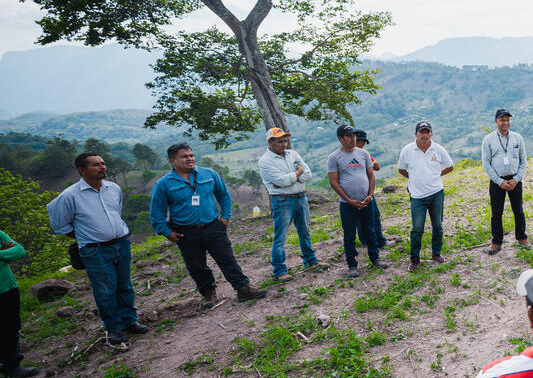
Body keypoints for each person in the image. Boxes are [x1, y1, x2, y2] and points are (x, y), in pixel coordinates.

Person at [151, 144, 268, 308]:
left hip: (213, 226)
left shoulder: (208, 173)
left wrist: (225, 217)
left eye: (191, 155)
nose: (190, 158)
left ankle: (243, 288)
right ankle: (208, 293)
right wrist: (166, 232)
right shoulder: (164, 184)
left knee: (227, 258)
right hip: (186, 232)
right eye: (184, 156)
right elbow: (157, 212)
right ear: (172, 161)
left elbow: (224, 195)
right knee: (196, 265)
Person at [49, 153, 147, 346]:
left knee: (124, 285)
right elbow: (60, 225)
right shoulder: (69, 196)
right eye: (96, 165)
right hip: (95, 250)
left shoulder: (113, 188)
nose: (102, 167)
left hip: (121, 244)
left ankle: (129, 320)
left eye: (103, 164)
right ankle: (114, 329)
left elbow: (115, 213)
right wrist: (89, 236)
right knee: (105, 289)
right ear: (82, 170)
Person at [257, 127, 323, 282]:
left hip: (301, 197)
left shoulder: (293, 154)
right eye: (280, 141)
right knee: (280, 236)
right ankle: (279, 270)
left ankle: (310, 260)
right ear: (270, 142)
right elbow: (282, 181)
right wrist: (297, 174)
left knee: (305, 231)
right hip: (282, 200)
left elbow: (308, 173)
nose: (284, 144)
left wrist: (293, 177)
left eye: (285, 140)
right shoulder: (265, 161)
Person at [328, 124, 388, 278]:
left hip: (366, 201)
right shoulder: (334, 157)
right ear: (340, 138)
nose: (353, 138)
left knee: (370, 230)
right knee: (349, 234)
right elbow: (334, 181)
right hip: (347, 204)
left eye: (354, 135)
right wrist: (348, 199)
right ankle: (352, 265)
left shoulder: (364, 154)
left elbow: (371, 175)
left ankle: (375, 259)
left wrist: (370, 195)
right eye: (348, 136)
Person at [397, 120, 454, 272]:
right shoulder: (407, 150)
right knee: (417, 228)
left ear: (431, 134)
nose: (424, 135)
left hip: (436, 193)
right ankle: (415, 259)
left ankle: (436, 253)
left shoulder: (438, 149)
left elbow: (450, 166)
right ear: (416, 134)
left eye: (427, 132)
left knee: (438, 226)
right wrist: (413, 178)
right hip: (417, 196)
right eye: (421, 132)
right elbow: (401, 169)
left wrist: (437, 174)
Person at [482, 108, 530, 255]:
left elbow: (523, 161)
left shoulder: (517, 138)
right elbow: (486, 163)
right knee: (496, 213)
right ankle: (496, 242)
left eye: (507, 119)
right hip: (497, 181)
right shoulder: (488, 140)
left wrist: (516, 179)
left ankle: (522, 238)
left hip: (515, 179)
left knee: (518, 211)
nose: (505, 122)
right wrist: (499, 181)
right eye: (502, 120)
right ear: (496, 121)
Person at [0, 230, 37, 378]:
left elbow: (20, 251)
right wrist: (5, 253)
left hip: (7, 287)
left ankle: (12, 366)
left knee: (11, 327)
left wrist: (2, 255)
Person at [354, 129, 388, 249]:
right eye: (362, 142)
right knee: (374, 216)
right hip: (366, 191)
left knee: (359, 217)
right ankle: (379, 241)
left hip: (352, 192)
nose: (363, 145)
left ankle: (364, 241)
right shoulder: (364, 154)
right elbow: (377, 167)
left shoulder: (344, 154)